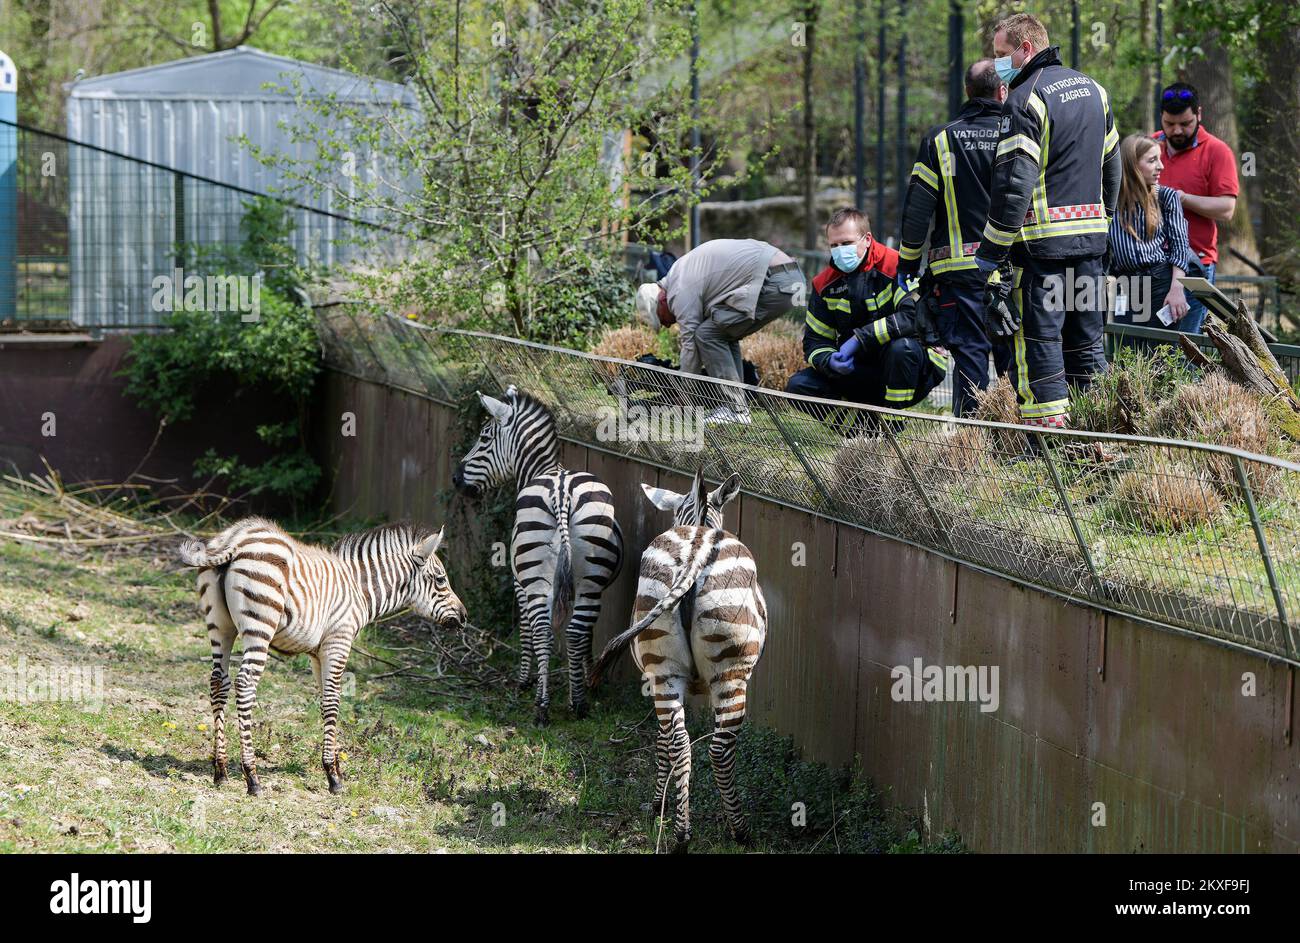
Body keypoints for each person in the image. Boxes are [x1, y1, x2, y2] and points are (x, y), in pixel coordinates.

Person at [974, 12, 1120, 430]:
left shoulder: (1025, 98)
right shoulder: (1095, 90)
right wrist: (1102, 219)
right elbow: (1112, 167)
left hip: (1040, 253)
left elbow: (1013, 188)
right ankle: (1096, 441)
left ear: (1026, 48)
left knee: (1040, 345)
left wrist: (990, 256)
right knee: (1089, 346)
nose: (998, 63)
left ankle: (1050, 454)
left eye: (1002, 54)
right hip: (1091, 246)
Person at [898, 59, 1008, 417]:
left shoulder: (940, 139)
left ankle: (970, 441)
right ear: (1002, 90)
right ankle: (1018, 442)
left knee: (970, 355)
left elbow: (917, 209)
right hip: (1010, 271)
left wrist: (908, 261)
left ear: (966, 92)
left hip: (957, 273)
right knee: (1013, 354)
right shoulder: (1019, 133)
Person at [785, 207, 948, 429]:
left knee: (902, 349)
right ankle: (864, 430)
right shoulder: (824, 285)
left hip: (914, 368)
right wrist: (828, 360)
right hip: (860, 369)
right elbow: (815, 342)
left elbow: (913, 317)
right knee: (799, 386)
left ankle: (894, 426)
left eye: (846, 243)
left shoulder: (897, 266)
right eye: (834, 245)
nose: (840, 251)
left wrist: (859, 339)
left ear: (867, 239)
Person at [635, 238, 804, 425]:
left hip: (775, 281)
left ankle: (735, 410)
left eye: (661, 319)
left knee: (707, 335)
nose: (666, 325)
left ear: (661, 301)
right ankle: (736, 407)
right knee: (720, 333)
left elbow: (690, 346)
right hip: (791, 277)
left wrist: (684, 396)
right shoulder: (680, 272)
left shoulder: (678, 290)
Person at [1153, 81, 1239, 334]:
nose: (1177, 130)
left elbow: (1226, 209)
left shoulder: (1217, 151)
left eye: (1185, 123)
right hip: (1154, 262)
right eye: (1169, 124)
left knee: (1185, 344)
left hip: (1196, 264)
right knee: (1150, 346)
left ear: (1199, 114)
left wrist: (1180, 198)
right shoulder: (1149, 148)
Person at [1107, 133, 1195, 331]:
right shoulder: (1111, 201)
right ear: (1133, 165)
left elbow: (1180, 245)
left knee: (1160, 355)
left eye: (1160, 159)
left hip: (1160, 283)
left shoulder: (1166, 197)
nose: (1161, 166)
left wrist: (1176, 289)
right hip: (1126, 286)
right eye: (1152, 160)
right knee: (1126, 350)